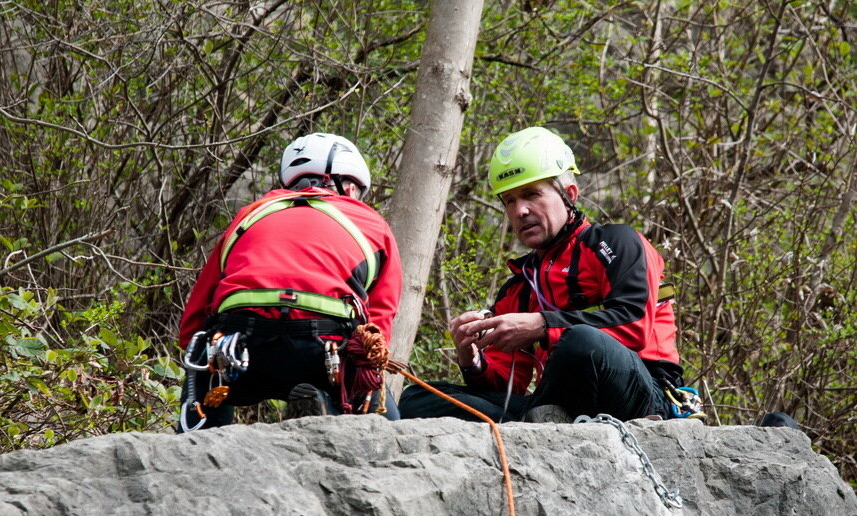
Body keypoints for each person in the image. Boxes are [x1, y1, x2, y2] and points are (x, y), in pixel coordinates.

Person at [400, 126, 701, 423]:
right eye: (509, 200)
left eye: (531, 194)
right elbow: (509, 383)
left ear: (569, 195)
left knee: (582, 342)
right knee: (418, 398)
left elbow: (635, 327)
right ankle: (539, 420)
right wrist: (473, 359)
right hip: (554, 401)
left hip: (640, 390)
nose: (520, 211)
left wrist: (542, 325)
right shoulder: (521, 286)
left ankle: (540, 417)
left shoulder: (615, 244)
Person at [177, 133, 403, 432]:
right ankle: (326, 409)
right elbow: (380, 321)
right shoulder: (372, 223)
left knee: (206, 374)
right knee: (384, 428)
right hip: (325, 351)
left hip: (237, 346)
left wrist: (197, 362)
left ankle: (197, 432)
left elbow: (196, 312)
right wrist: (368, 365)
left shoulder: (251, 214)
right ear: (350, 187)